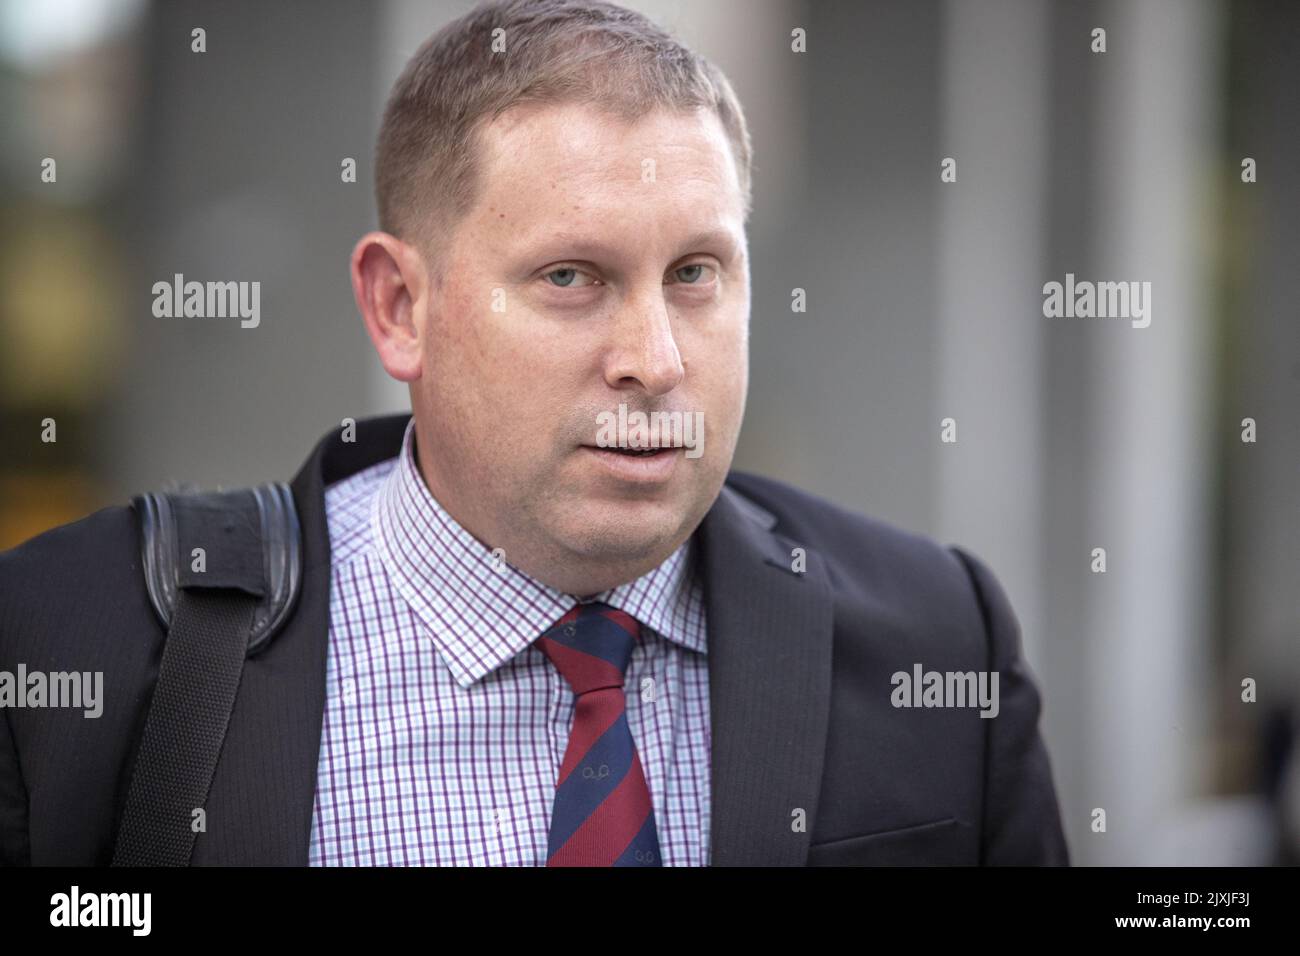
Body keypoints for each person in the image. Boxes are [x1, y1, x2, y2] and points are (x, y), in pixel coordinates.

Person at [0, 0, 1068, 866]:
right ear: (399, 307)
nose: (654, 357)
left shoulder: (938, 639)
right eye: (571, 277)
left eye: (695, 273)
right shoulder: (73, 642)